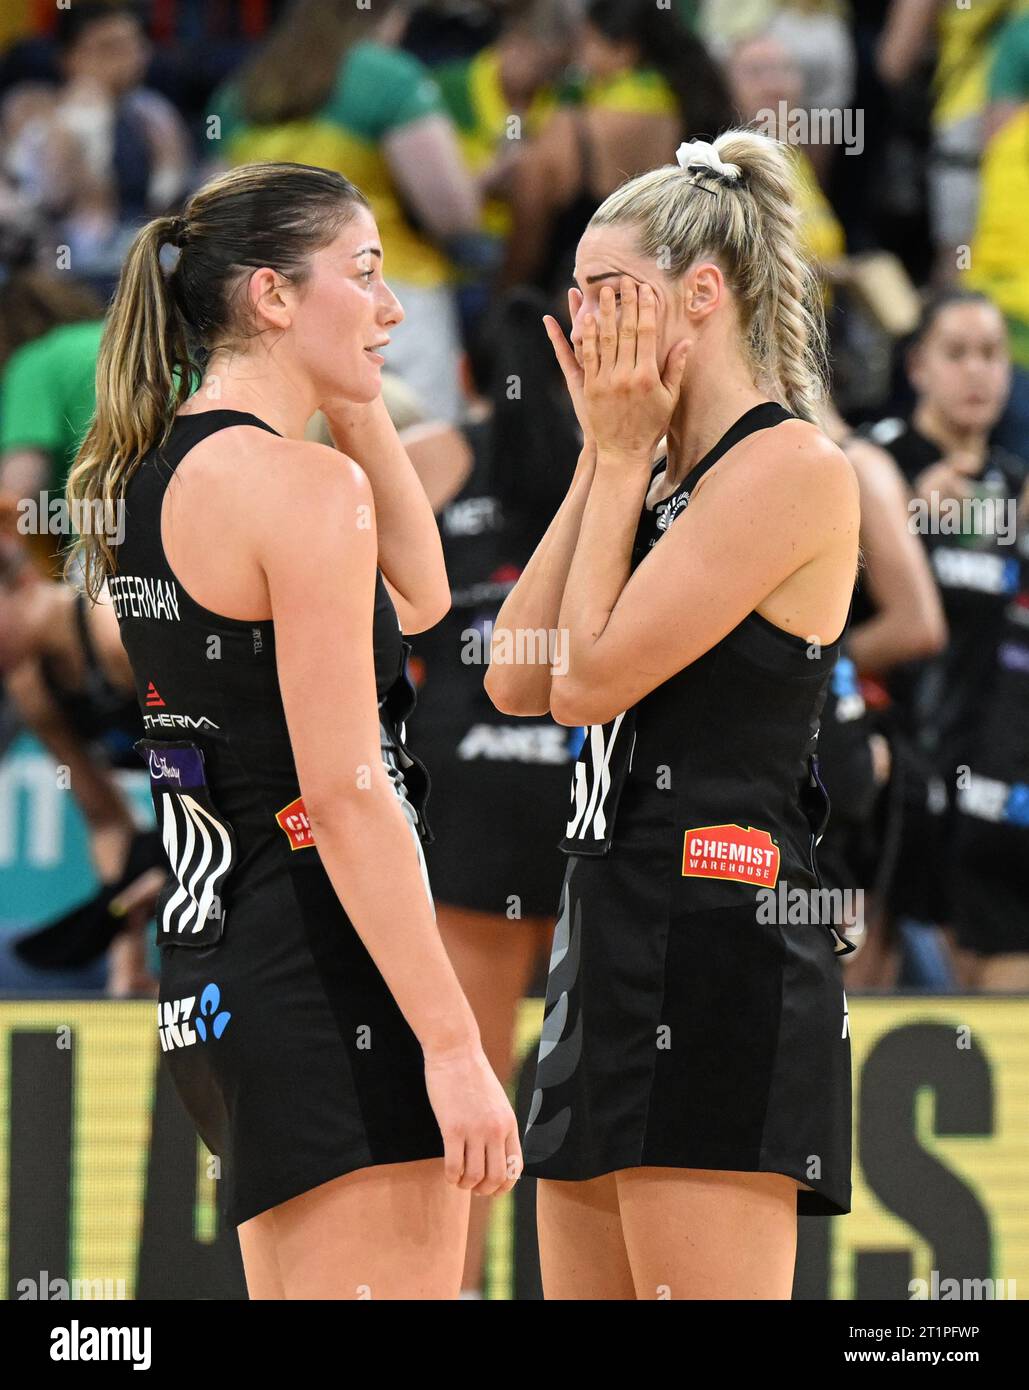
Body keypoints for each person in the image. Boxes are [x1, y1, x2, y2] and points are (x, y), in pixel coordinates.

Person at [63, 160, 520, 1299]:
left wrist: (354, 396)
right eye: (364, 276)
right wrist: (457, 1041)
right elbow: (347, 792)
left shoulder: (148, 477)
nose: (393, 308)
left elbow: (415, 598)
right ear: (272, 295)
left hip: (221, 978)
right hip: (328, 971)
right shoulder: (299, 486)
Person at [486, 130, 859, 1299]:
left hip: (722, 939)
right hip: (604, 931)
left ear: (702, 295)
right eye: (578, 293)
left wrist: (614, 452)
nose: (585, 322)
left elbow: (587, 681)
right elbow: (515, 673)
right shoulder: (640, 466)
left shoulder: (792, 470)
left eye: (611, 293)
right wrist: (607, 467)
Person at [405, 292, 583, 1295]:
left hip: (462, 793)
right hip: (586, 800)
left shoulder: (434, 456)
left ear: (468, 373)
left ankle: (456, 1286)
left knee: (466, 1080)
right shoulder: (616, 472)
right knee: (593, 1083)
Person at [206, 0, 480, 423]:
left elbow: (215, 208)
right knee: (422, 464)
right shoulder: (390, 76)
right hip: (392, 300)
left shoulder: (243, 88)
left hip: (274, 311)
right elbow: (453, 212)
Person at [861, 290, 1024, 971]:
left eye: (990, 355)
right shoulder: (878, 464)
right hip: (881, 757)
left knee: (991, 973)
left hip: (978, 773)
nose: (976, 373)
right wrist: (910, 526)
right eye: (955, 354)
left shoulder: (1013, 488)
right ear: (917, 366)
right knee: (857, 962)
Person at [500, 0, 733, 293]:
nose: (577, 57)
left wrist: (504, 296)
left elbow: (529, 214)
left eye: (587, 43)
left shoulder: (571, 125)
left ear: (625, 51)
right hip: (662, 289)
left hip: (573, 300)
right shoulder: (684, 104)